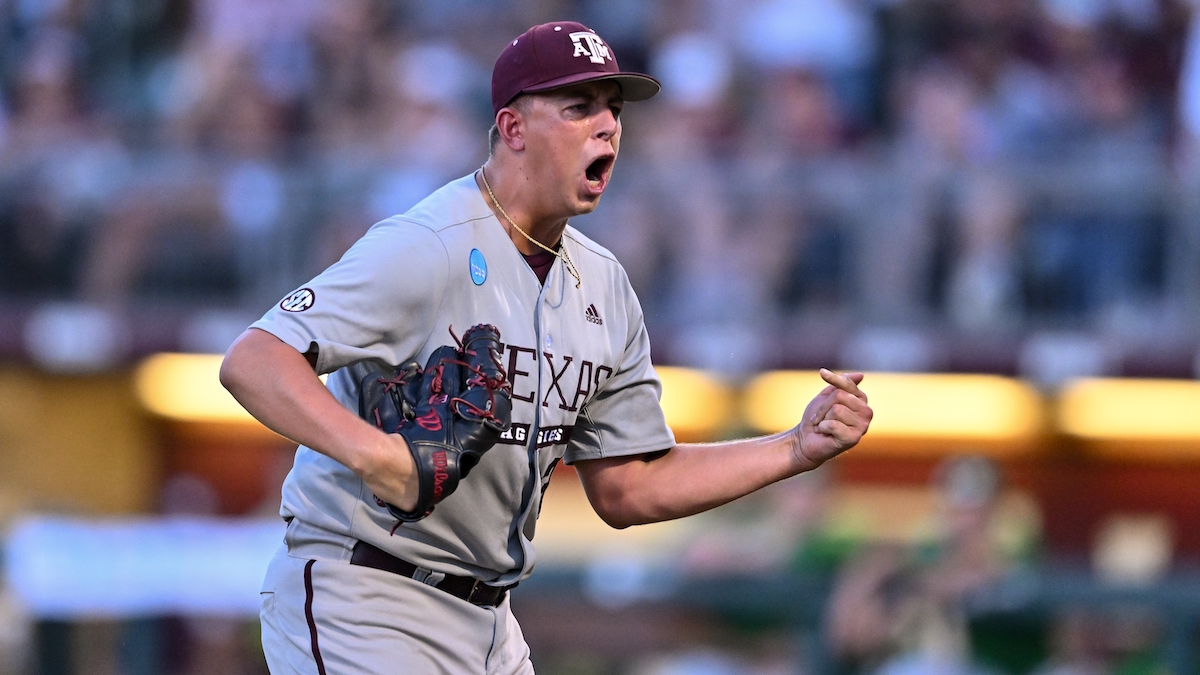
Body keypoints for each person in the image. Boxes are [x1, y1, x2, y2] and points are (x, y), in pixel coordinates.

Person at [219, 20, 873, 675]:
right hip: (364, 592)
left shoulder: (605, 284)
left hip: (491, 618)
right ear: (512, 130)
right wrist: (379, 454)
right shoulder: (428, 244)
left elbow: (629, 485)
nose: (608, 125)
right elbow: (255, 360)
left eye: (613, 109)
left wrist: (792, 448)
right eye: (578, 107)